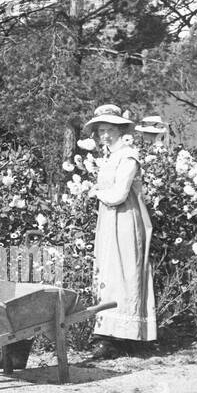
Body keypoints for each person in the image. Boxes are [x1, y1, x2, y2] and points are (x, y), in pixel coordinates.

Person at [85, 104, 157, 359]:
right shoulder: (110, 158)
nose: (104, 135)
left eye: (109, 130)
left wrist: (95, 192)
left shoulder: (128, 157)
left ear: (119, 129)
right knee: (108, 271)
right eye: (101, 130)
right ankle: (107, 335)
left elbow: (118, 194)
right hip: (108, 220)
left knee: (125, 272)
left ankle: (127, 336)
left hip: (125, 220)